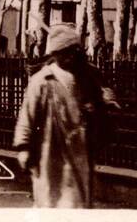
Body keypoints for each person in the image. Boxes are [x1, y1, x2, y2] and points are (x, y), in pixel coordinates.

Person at [13, 24, 119, 207]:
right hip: (50, 149)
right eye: (63, 53)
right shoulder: (42, 81)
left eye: (72, 52)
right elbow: (27, 115)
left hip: (80, 150)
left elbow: (105, 92)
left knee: (77, 203)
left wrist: (105, 106)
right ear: (55, 54)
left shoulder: (88, 75)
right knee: (51, 201)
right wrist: (24, 146)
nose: (69, 57)